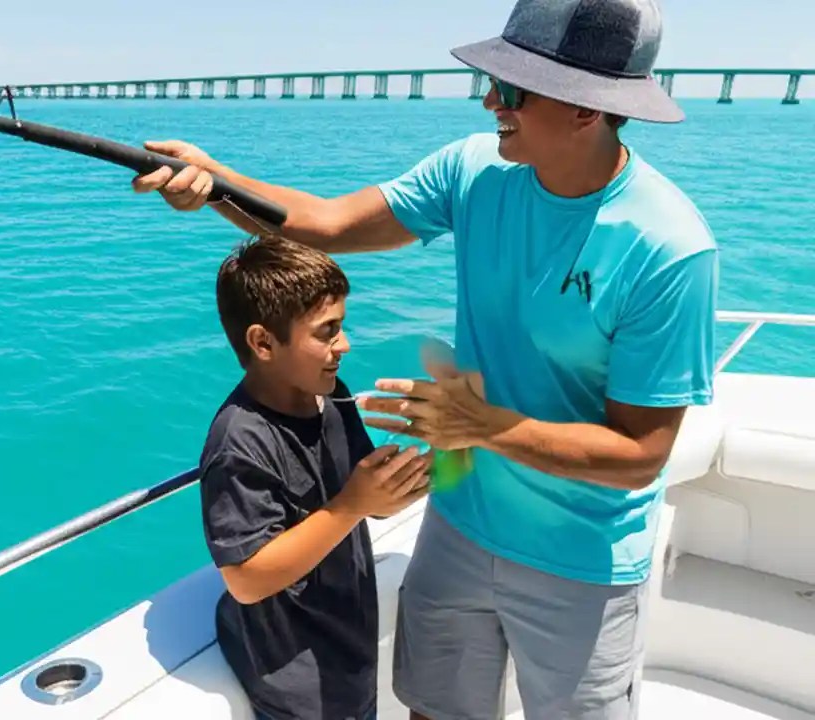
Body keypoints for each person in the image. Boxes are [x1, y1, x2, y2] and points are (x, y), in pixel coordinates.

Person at [137, 0, 719, 718]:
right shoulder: (472, 171)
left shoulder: (669, 248)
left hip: (582, 560)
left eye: (514, 88)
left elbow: (640, 453)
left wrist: (483, 426)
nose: (489, 100)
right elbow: (327, 225)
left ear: (585, 110)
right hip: (459, 525)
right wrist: (214, 180)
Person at [199, 234, 433, 720]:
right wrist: (350, 504)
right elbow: (245, 579)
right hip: (295, 679)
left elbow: (377, 502)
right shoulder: (239, 442)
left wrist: (446, 451)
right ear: (263, 341)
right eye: (327, 332)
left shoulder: (330, 396)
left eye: (341, 327)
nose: (343, 344)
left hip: (348, 649)